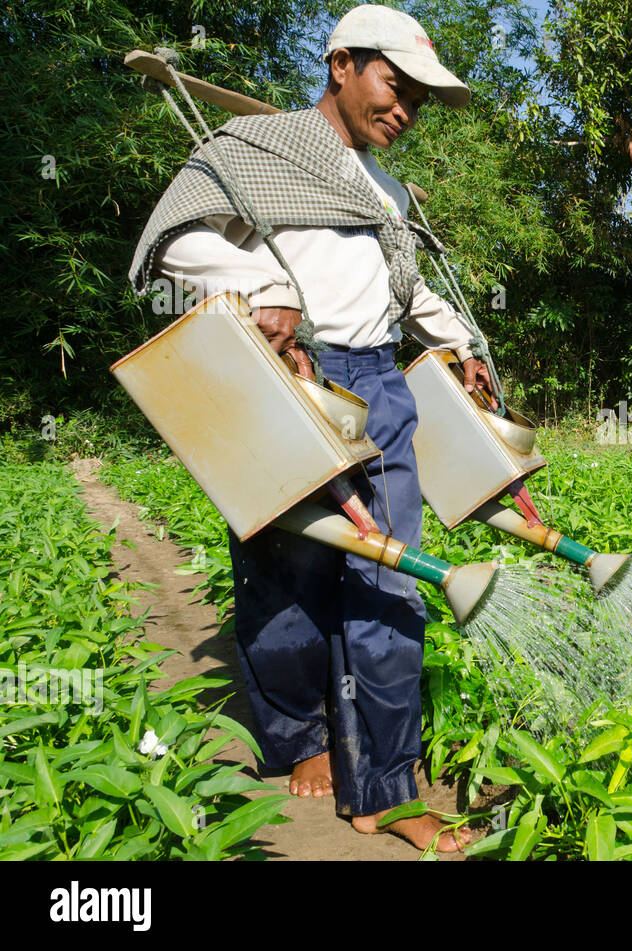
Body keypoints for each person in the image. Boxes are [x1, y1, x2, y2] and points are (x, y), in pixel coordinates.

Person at [129, 4, 494, 853]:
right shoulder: (253, 154)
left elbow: (404, 296)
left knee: (389, 584)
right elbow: (172, 243)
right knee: (286, 572)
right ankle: (301, 735)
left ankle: (386, 784)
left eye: (417, 102)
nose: (403, 111)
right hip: (288, 378)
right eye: (394, 87)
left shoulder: (391, 192)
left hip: (376, 385)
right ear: (343, 65)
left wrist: (459, 343)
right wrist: (261, 284)